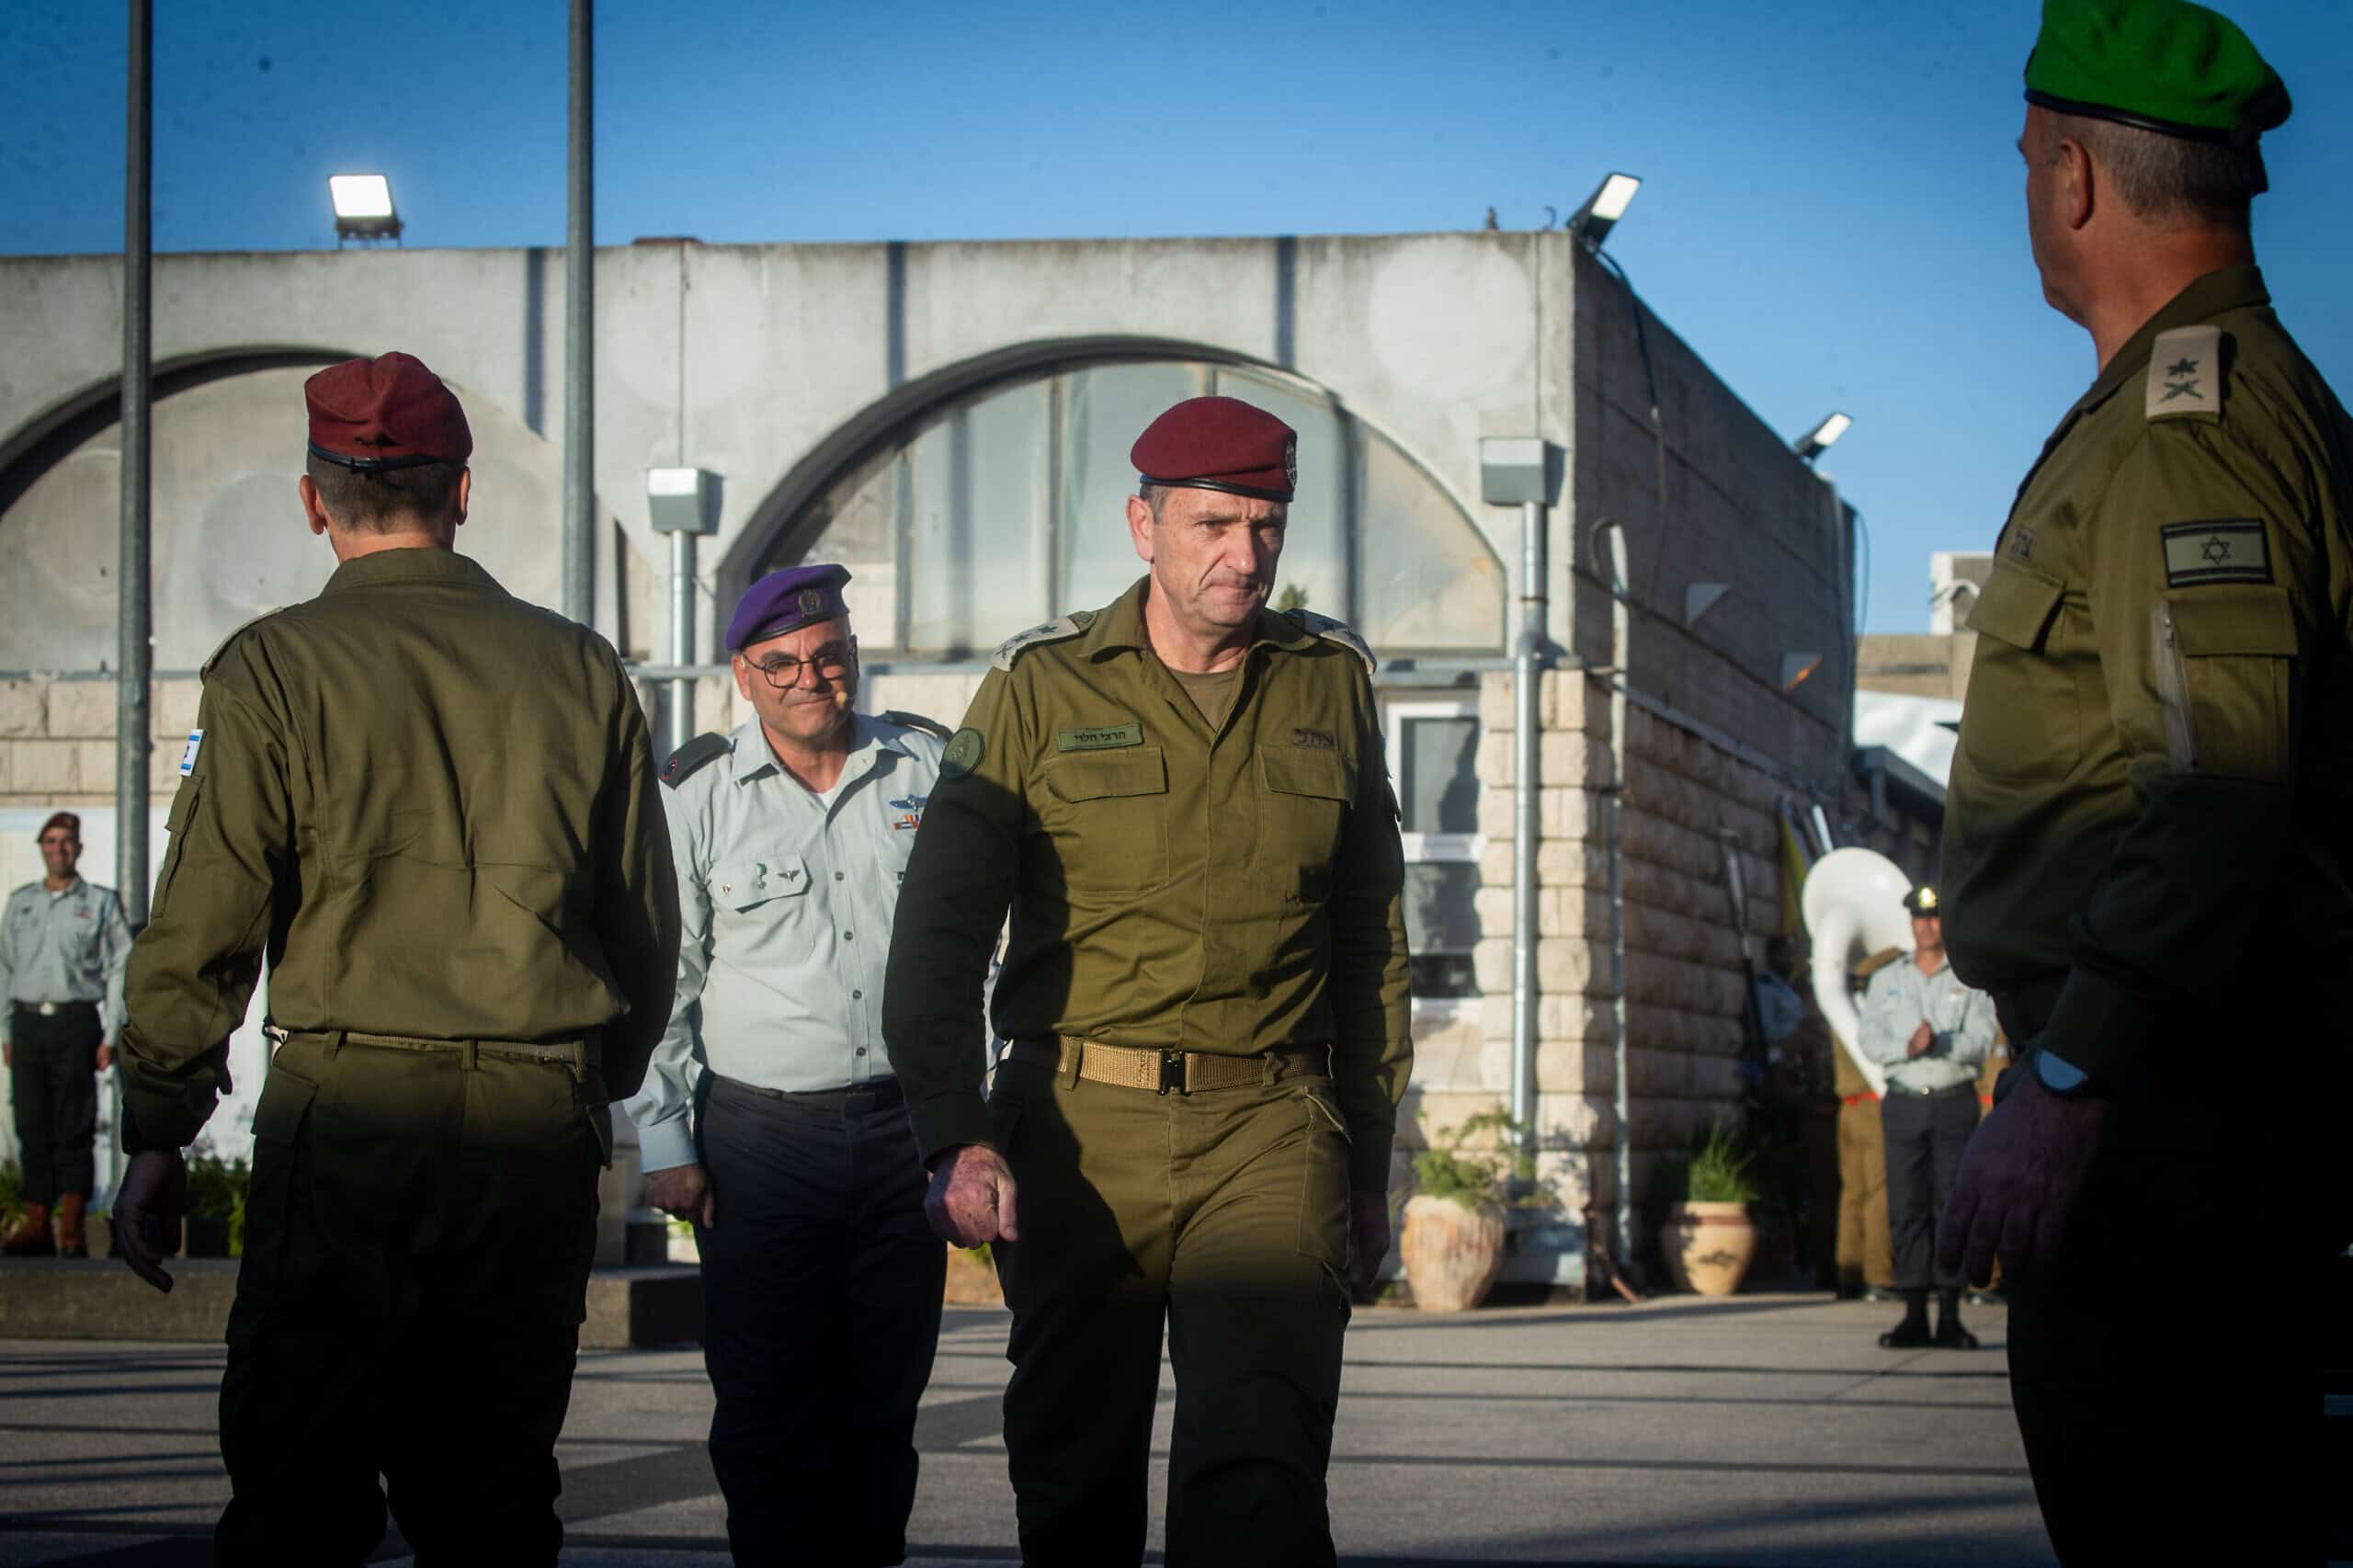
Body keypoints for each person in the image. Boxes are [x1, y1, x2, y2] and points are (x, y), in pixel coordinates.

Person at [108, 352, 679, 1566]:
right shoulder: (580, 667)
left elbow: (204, 925)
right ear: (462, 490)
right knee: (491, 1496)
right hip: (531, 1122)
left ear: (314, 501)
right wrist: (587, 1076)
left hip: (347, 1117)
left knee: (296, 1488)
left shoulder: (273, 667)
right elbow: (641, 923)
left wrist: (160, 1125)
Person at [1938, 2, 2352, 1559]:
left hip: (2174, 1112)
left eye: (2033, 159)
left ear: (2074, 182)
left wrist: (2068, 1077)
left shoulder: (2192, 428)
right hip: (2174, 1088)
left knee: (2163, 1520)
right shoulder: (2190, 405)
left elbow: (2217, 785)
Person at [882, 394, 1412, 1568]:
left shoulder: (1329, 683)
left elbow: (1372, 936)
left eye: (1266, 524)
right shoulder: (1038, 689)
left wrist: (1368, 1164)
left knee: (1262, 1473)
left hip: (1271, 1122)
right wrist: (954, 1134)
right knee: (1076, 1470)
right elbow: (939, 934)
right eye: (1212, 523)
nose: (1244, 555)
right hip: (1080, 1126)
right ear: (1143, 523)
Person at [625, 563, 949, 1568]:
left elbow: (980, 950)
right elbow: (659, 981)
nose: (813, 676)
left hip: (905, 1132)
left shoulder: (925, 768)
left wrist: (973, 1120)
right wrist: (665, 1139)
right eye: (785, 662)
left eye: (831, 654)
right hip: (762, 1143)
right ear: (743, 674)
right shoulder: (697, 791)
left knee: (883, 1397)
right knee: (768, 1402)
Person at [1855, 885, 1993, 1349]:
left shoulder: (1967, 978)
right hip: (1906, 1099)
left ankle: (1950, 1314)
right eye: (1920, 918)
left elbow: (1983, 1037)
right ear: (1911, 923)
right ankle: (1914, 1312)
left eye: (1934, 918)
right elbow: (1870, 1040)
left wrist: (1943, 1043)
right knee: (1907, 1205)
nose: (1927, 925)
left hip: (1953, 1097)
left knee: (1951, 1202)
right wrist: (1907, 1048)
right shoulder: (1887, 978)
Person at [0, 812, 132, 1257]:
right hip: (28, 1022)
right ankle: (37, 1223)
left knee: (75, 1122)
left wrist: (111, 1033)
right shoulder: (21, 903)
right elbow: (5, 968)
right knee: (31, 1122)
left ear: (78, 848)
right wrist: (6, 1030)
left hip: (77, 1022)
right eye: (51, 841)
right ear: (41, 847)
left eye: (67, 841)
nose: (59, 848)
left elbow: (119, 968)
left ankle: (71, 1226)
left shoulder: (99, 903)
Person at [1832, 946, 1899, 1301]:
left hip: (1849, 1105)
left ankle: (1849, 1269)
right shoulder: (1873, 1009)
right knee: (1880, 1190)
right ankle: (1879, 1274)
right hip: (1873, 1104)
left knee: (1853, 1191)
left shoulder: (1841, 1003)